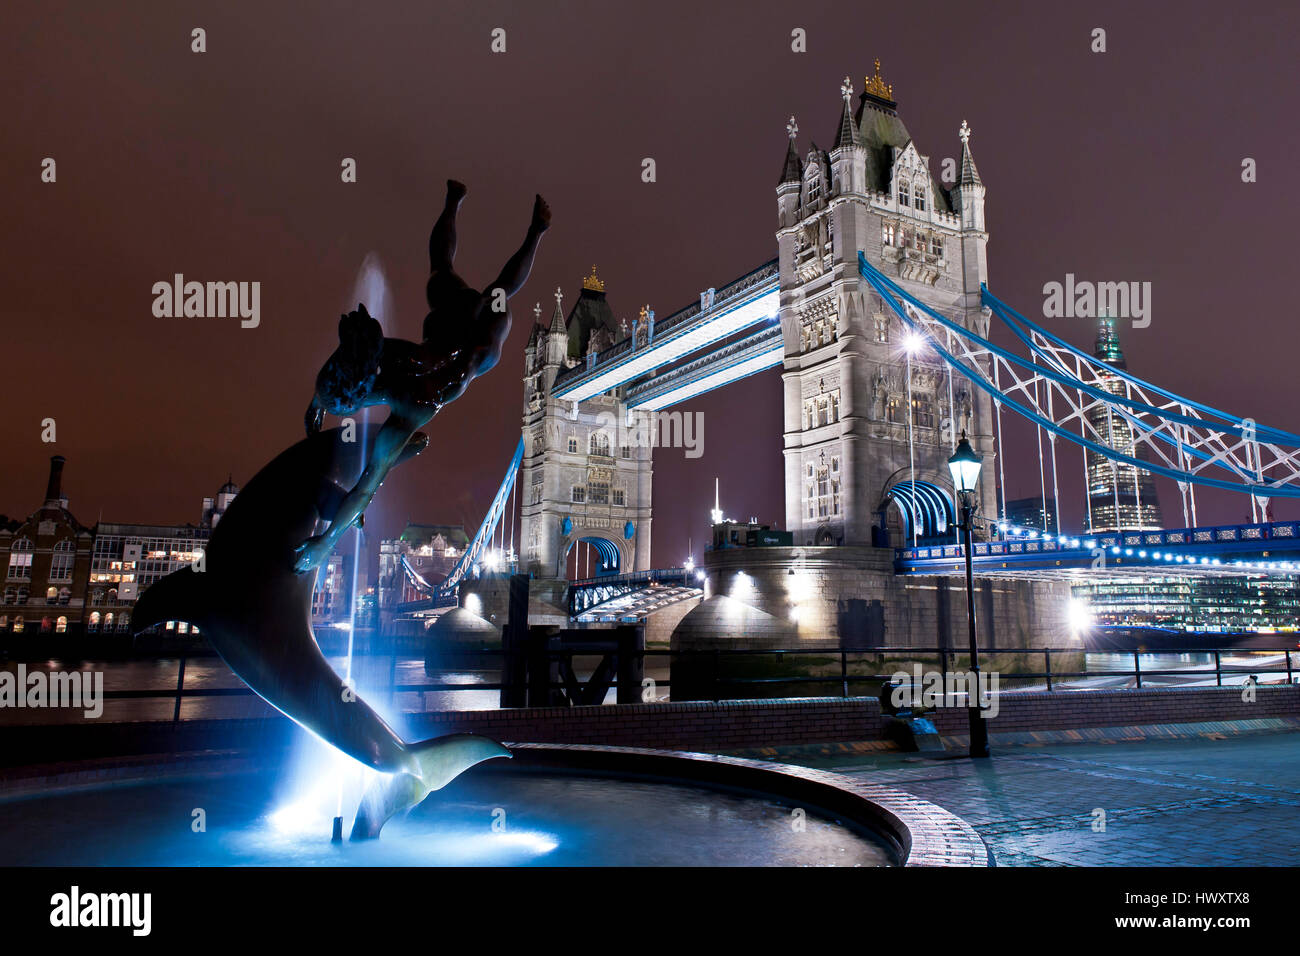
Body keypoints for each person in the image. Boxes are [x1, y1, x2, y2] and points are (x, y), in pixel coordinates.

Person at [294, 180, 550, 572]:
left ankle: (533, 229)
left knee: (498, 290)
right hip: (446, 323)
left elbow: (367, 485)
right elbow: (353, 351)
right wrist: (318, 399)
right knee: (446, 272)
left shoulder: (413, 407)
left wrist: (325, 544)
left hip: (480, 336)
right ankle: (456, 201)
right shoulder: (390, 355)